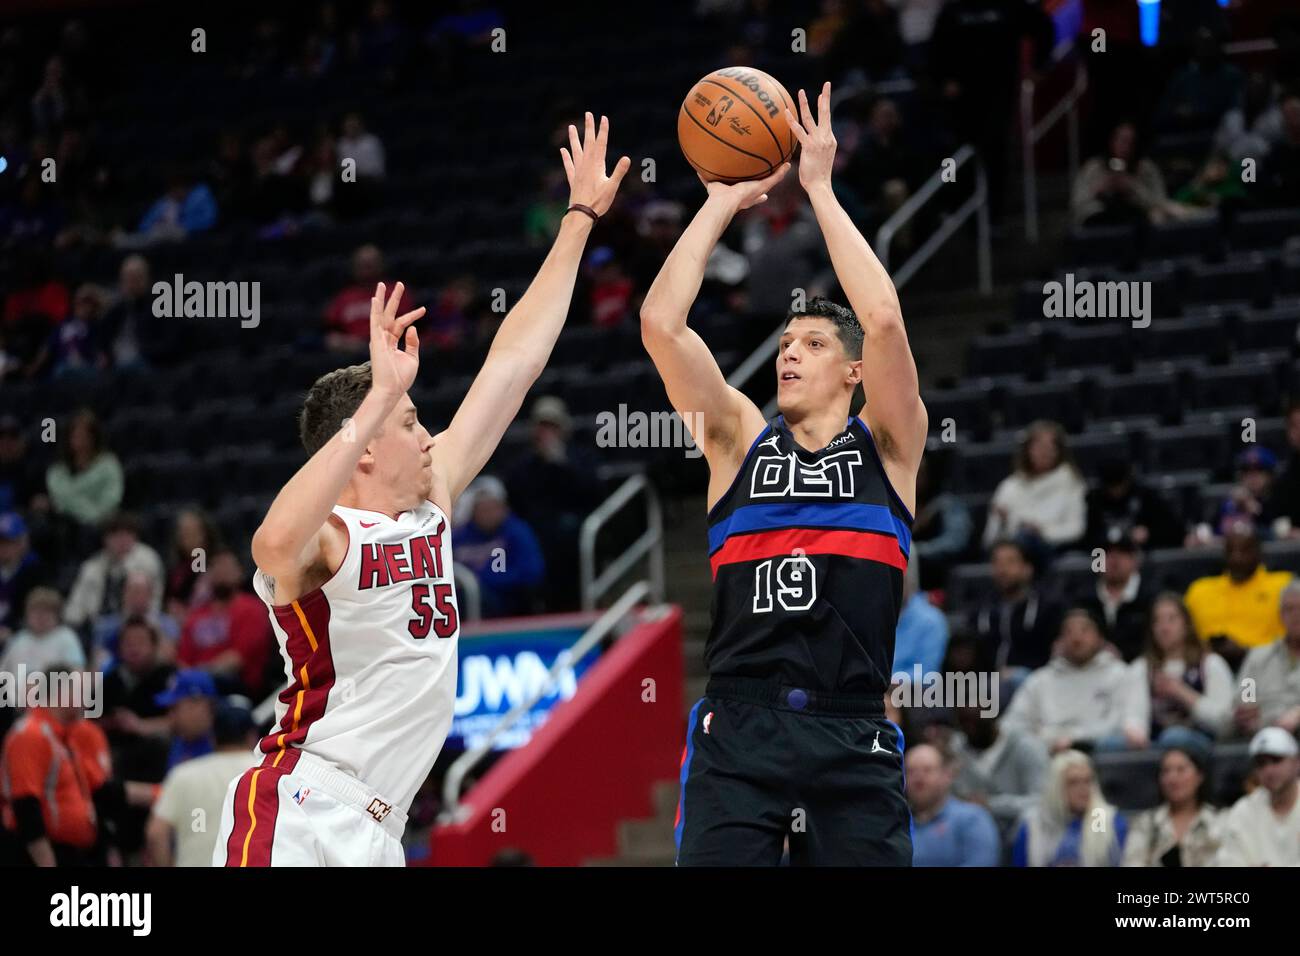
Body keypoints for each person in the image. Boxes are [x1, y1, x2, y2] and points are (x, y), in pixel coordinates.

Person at [212, 113, 628, 867]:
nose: (430, 435)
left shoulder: (432, 507)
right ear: (367, 446)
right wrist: (378, 398)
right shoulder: (328, 540)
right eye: (411, 422)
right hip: (299, 804)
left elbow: (513, 364)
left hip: (382, 829)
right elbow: (271, 543)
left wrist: (577, 220)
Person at [645, 84, 926, 866]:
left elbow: (884, 319)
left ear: (854, 372)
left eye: (812, 344)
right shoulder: (737, 439)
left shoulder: (889, 446)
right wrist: (719, 203)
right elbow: (661, 325)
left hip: (852, 728)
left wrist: (820, 190)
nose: (789, 354)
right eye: (784, 344)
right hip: (740, 726)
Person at [504, 396, 604, 612]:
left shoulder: (582, 456)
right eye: (542, 427)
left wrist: (560, 463)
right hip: (536, 532)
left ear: (563, 429)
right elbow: (515, 497)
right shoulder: (524, 464)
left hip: (575, 529)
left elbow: (592, 492)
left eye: (552, 426)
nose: (546, 433)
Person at [0, 672, 100, 866]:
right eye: (82, 691)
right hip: (33, 854)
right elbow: (25, 806)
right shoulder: (31, 734)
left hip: (67, 851)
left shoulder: (62, 736)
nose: (88, 700)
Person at [1002, 608, 1129, 755]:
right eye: (1068, 632)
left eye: (1085, 630)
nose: (1076, 638)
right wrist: (1045, 741)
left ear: (1100, 638)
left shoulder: (1120, 675)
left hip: (1099, 753)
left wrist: (1074, 739)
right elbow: (1011, 724)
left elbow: (1120, 724)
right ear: (1059, 641)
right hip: (1046, 753)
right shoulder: (1040, 680)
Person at [146, 702, 256, 866]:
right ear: (252, 736)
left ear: (212, 738)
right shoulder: (269, 773)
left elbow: (156, 833)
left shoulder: (183, 774)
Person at [1123, 594, 1234, 750]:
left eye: (1171, 619)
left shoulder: (1210, 664)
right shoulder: (1142, 667)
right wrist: (1135, 732)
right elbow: (1134, 714)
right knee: (1110, 743)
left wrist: (1179, 692)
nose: (1164, 627)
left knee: (1174, 737)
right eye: (1157, 621)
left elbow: (1225, 723)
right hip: (1153, 743)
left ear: (1187, 624)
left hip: (1202, 742)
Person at [1184, 525, 1291, 670]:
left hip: (1267, 668)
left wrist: (1245, 651)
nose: (1236, 557)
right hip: (1208, 668)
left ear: (1259, 553)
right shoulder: (1199, 591)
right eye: (1231, 551)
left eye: (1244, 550)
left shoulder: (1284, 586)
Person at [175, 550, 274, 696]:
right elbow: (182, 659)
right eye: (216, 567)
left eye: (227, 567)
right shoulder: (196, 615)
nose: (221, 572)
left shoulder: (252, 609)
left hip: (236, 688)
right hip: (194, 689)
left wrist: (199, 676)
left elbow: (237, 659)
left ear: (240, 573)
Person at [982, 421, 1086, 552]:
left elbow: (1076, 529)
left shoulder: (1071, 483)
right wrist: (1002, 522)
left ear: (1059, 451)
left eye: (1050, 446)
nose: (1044, 452)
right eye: (1038, 446)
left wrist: (1041, 532)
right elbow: (989, 540)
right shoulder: (1009, 486)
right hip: (1013, 551)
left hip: (1054, 550)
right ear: (1027, 450)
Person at [1012, 749, 1128, 867]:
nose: (1083, 789)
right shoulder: (1033, 826)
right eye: (1073, 782)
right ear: (1056, 787)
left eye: (1087, 781)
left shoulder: (1109, 821)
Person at [451, 476, 546, 618]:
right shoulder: (460, 536)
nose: (488, 514)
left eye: (492, 508)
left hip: (507, 600)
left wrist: (483, 580)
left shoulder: (517, 532)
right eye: (482, 509)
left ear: (503, 507)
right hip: (467, 597)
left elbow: (531, 572)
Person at [947, 704, 1049, 837]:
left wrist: (991, 805)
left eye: (977, 724)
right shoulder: (954, 750)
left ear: (994, 719)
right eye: (965, 724)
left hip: (1020, 835)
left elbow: (1042, 802)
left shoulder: (1027, 748)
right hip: (971, 833)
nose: (970, 730)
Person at [970, 539, 1063, 681]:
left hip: (1034, 680)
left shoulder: (1047, 607)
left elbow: (1054, 655)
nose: (1002, 569)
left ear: (1027, 569)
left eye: (1010, 562)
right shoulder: (982, 609)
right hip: (989, 681)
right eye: (997, 563)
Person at [63, 511, 164, 635]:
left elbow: (155, 598)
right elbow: (76, 604)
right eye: (117, 536)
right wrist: (70, 627)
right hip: (98, 625)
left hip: (136, 624)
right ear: (106, 539)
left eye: (127, 536)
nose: (122, 541)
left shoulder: (148, 560)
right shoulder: (93, 566)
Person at [1122, 745, 1222, 867]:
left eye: (1181, 770)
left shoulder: (1219, 821)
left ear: (1199, 776)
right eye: (1166, 771)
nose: (1172, 778)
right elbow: (1132, 863)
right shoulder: (1146, 823)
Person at [1215, 727, 1300, 866]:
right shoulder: (1243, 811)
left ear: (1297, 762)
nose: (1269, 770)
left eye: (1276, 760)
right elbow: (1229, 861)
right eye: (1261, 764)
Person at [906, 743, 1000, 867]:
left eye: (927, 770)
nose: (918, 778)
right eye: (911, 771)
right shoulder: (898, 823)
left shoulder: (972, 819)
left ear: (946, 775)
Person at [1070, 121, 1173, 228]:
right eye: (1122, 140)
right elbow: (1077, 203)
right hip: (1099, 220)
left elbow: (1160, 201)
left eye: (1131, 142)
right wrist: (1098, 189)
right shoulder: (1093, 167)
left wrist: (1132, 186)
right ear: (1112, 141)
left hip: (1137, 218)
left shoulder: (1146, 168)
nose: (1125, 147)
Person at [1073, 534, 1154, 662]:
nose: (1114, 559)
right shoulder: (1082, 599)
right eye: (1106, 553)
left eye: (1122, 552)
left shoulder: (1152, 597)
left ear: (1135, 560)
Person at [1234, 581, 1300, 738]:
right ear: (1280, 615)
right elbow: (1246, 694)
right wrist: (1247, 709)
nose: (1296, 615)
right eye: (1289, 609)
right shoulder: (1258, 656)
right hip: (1265, 734)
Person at [1084, 457, 1184, 552]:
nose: (1116, 491)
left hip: (1140, 554)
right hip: (1104, 555)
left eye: (1119, 485)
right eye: (1111, 487)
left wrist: (1149, 533)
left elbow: (1172, 528)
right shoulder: (1095, 500)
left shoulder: (1144, 496)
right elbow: (1087, 537)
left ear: (1126, 481)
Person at [0, 587, 85, 675]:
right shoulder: (19, 640)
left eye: (46, 612)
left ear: (57, 615)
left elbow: (78, 672)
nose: (40, 617)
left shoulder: (66, 637)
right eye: (35, 612)